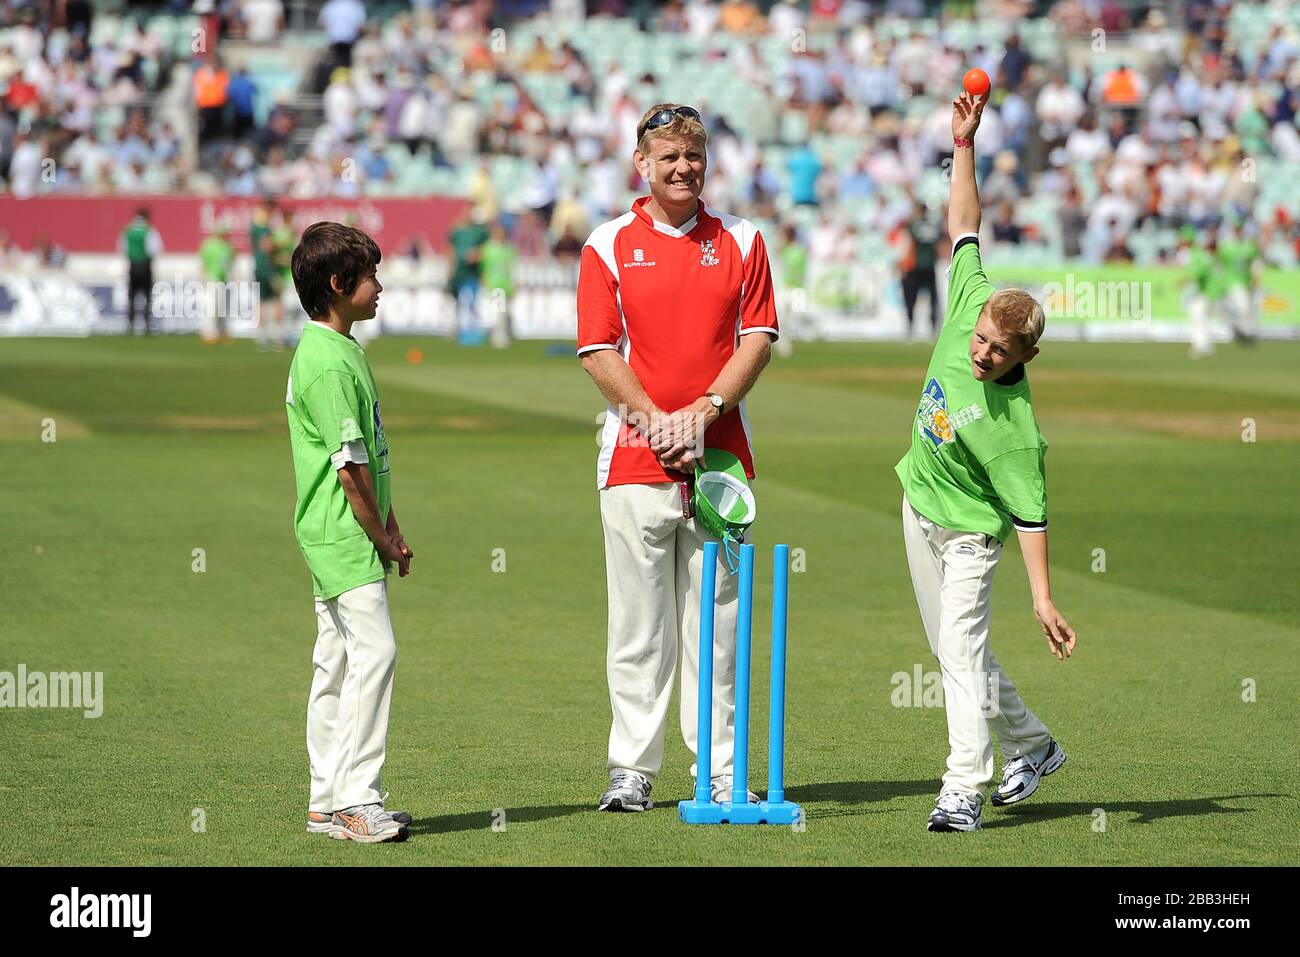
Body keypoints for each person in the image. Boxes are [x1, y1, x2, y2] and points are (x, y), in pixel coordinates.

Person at [577, 103, 779, 812]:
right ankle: (632, 769)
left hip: (722, 466)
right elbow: (598, 351)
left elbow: (757, 338)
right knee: (637, 628)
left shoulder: (743, 239)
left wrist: (704, 412)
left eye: (692, 156)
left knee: (718, 628)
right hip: (633, 461)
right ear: (642, 163)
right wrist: (657, 422)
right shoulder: (605, 244)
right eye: (668, 156)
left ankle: (721, 769)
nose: (682, 168)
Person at [895, 90, 1077, 833]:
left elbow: (1031, 516)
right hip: (918, 504)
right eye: (978, 341)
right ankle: (1034, 746)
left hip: (971, 534)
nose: (981, 353)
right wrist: (963, 143)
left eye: (1000, 352)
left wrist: (1040, 597)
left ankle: (962, 787)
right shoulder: (973, 293)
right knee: (952, 647)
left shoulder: (1015, 429)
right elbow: (962, 223)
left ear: (1025, 356)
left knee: (958, 657)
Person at [285, 221, 413, 844]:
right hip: (341, 533)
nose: (380, 286)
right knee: (374, 653)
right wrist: (381, 537)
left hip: (344, 530)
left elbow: (367, 457)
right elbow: (349, 467)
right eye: (370, 277)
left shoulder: (339, 348)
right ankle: (357, 798)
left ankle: (325, 801)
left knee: (335, 663)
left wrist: (390, 524)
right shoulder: (327, 362)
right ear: (339, 285)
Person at [119, 207, 162, 335]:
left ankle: (130, 326)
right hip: (145, 266)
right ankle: (146, 327)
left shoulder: (127, 230)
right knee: (147, 297)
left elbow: (122, 248)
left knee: (131, 297)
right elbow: (154, 249)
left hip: (132, 266)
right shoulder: (148, 230)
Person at [251, 199, 283, 349]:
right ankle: (277, 336)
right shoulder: (264, 228)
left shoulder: (255, 226)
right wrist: (280, 244)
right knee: (277, 301)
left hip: (259, 268)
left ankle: (262, 337)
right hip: (269, 269)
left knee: (262, 302)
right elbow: (266, 246)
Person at [198, 224, 235, 343]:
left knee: (221, 308)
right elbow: (203, 262)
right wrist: (204, 277)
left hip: (223, 279)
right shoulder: (209, 245)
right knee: (211, 307)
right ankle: (209, 332)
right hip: (212, 278)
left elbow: (231, 261)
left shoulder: (227, 246)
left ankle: (220, 331)